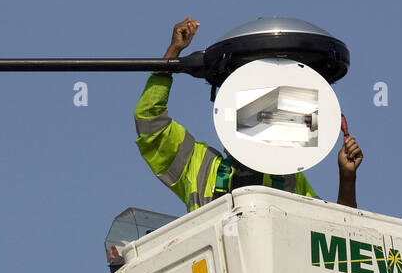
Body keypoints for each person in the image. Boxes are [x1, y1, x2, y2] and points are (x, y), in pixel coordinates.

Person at [135, 17, 364, 212]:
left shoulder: (290, 179)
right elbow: (148, 120)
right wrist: (173, 52)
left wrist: (347, 177)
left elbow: (337, 231)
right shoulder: (199, 164)